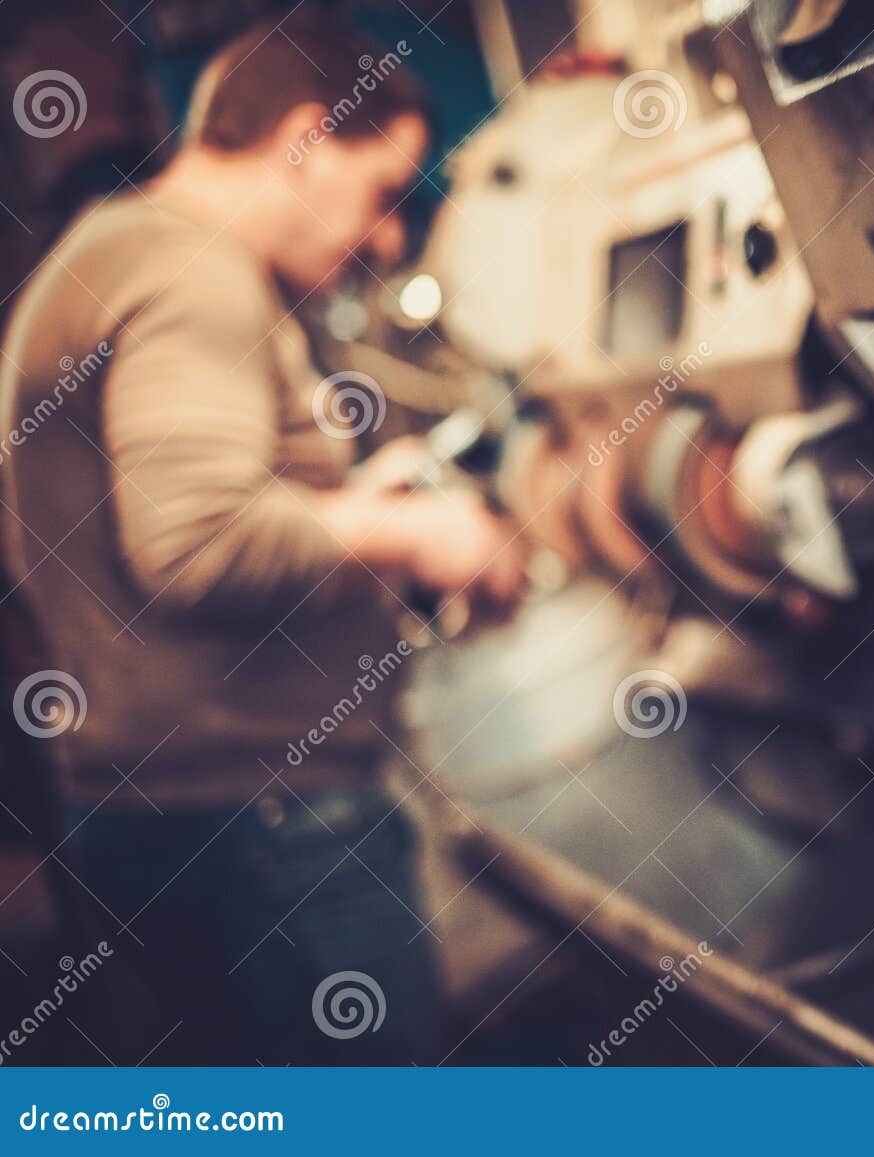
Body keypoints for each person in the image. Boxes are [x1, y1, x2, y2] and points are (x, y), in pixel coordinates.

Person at [0, 12, 527, 1063]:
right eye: (381, 192)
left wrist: (344, 501)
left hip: (160, 797)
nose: (383, 238)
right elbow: (194, 539)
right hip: (263, 818)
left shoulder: (112, 254)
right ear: (301, 143)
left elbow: (157, 505)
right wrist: (414, 528)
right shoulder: (193, 268)